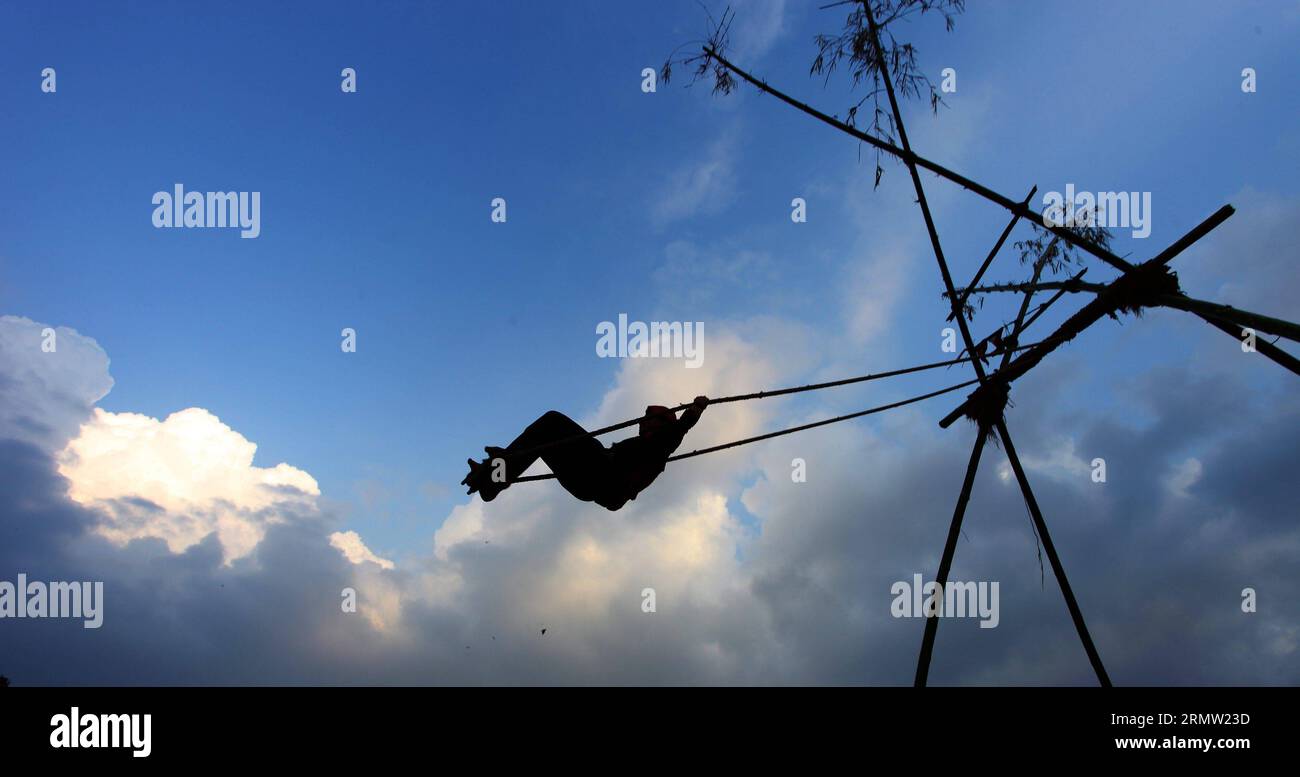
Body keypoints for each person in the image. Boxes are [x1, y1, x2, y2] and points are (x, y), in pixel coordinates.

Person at [461, 396, 709, 511]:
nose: (643, 424)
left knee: (552, 422)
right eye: (643, 421)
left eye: (650, 421)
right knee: (544, 439)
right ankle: (493, 480)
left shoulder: (660, 445)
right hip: (585, 483)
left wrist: (696, 408)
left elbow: (679, 430)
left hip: (602, 474)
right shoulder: (644, 444)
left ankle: (499, 472)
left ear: (662, 425)